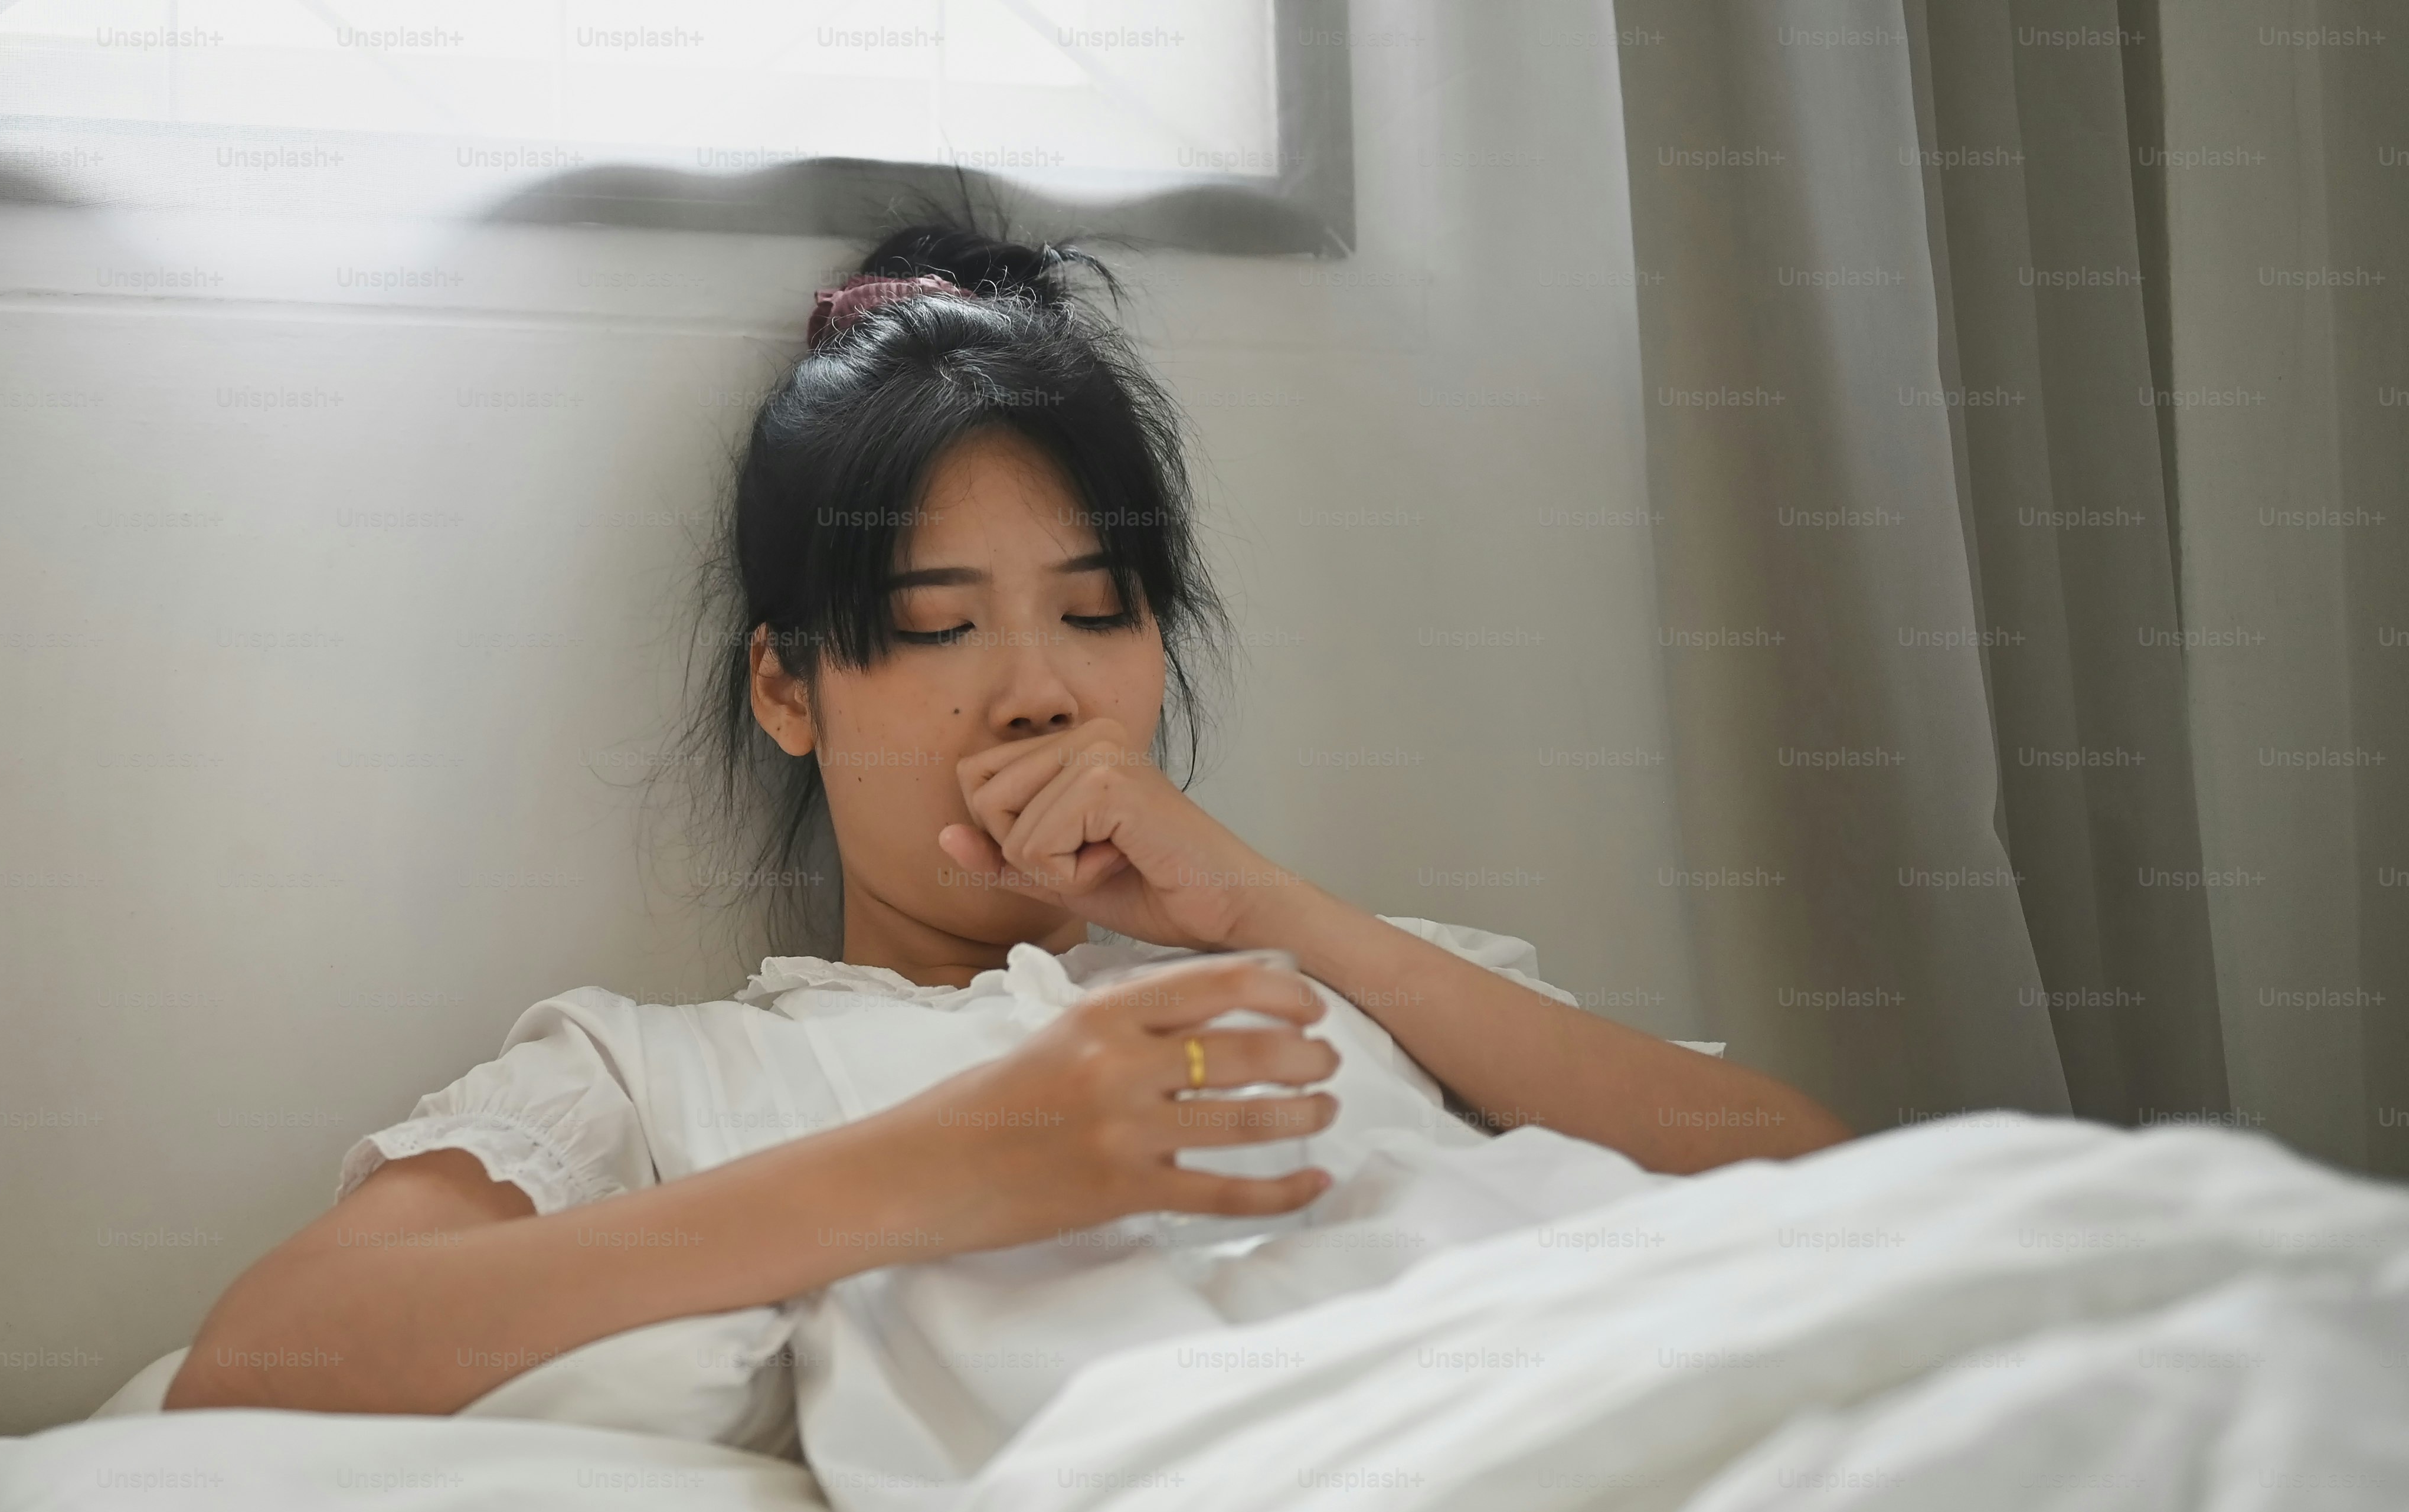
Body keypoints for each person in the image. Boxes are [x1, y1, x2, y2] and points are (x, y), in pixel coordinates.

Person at [166, 221, 1849, 1420]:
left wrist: (1275, 909)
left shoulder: (1345, 975)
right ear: (787, 689)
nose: (1038, 690)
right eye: (938, 622)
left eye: (1097, 613)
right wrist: (954, 1167)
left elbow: (1815, 1182)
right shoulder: (660, 1074)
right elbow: (271, 1356)